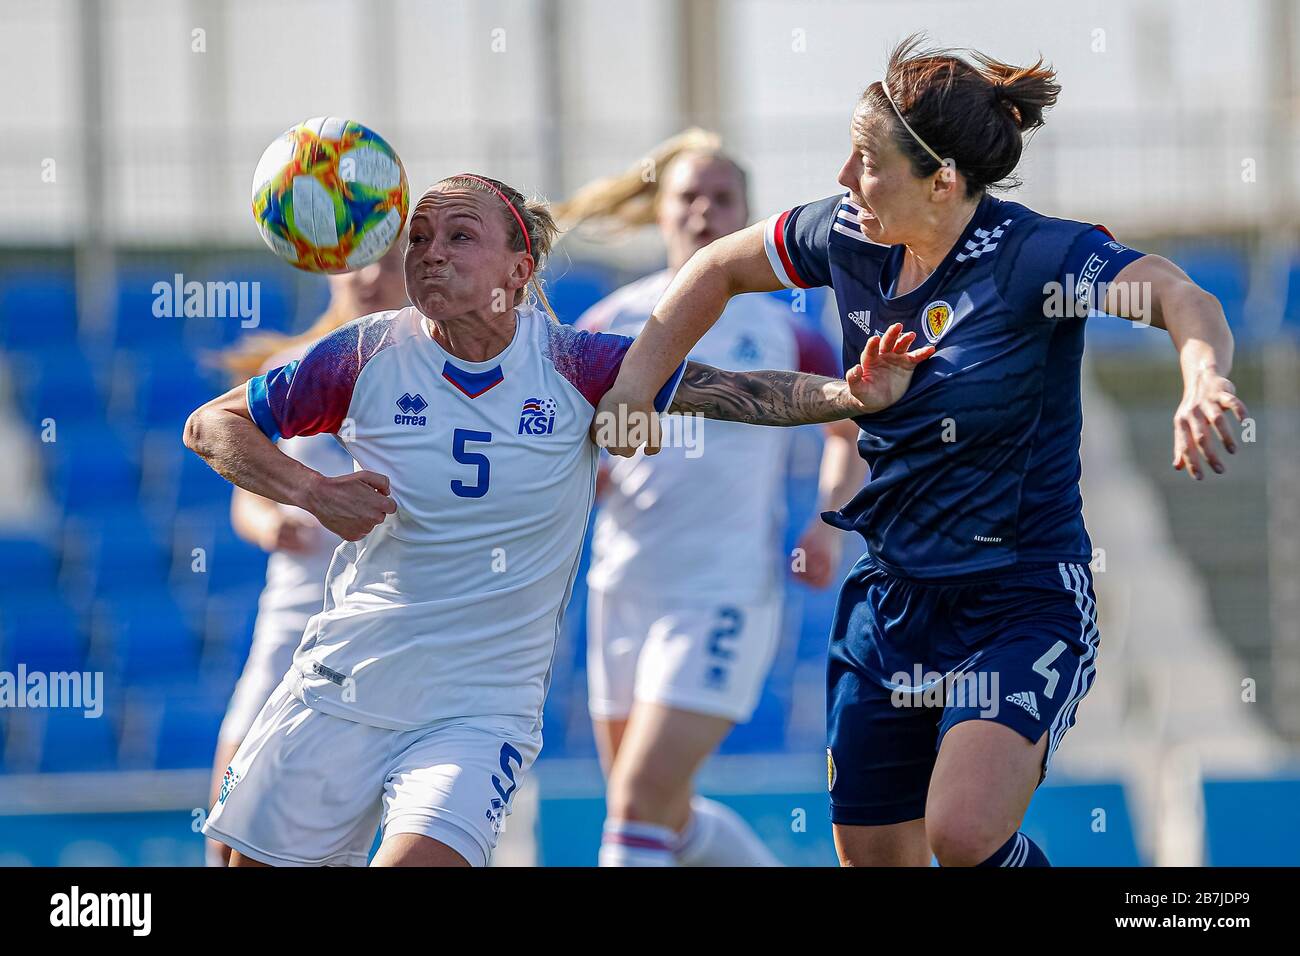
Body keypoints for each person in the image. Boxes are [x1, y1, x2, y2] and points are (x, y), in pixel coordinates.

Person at [593, 37, 1249, 867]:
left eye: (866, 160)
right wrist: (634, 385)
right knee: (873, 854)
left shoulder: (1035, 259)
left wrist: (1202, 377)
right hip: (889, 600)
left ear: (941, 181)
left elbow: (1175, 294)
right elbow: (719, 267)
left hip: (1017, 597)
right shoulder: (848, 236)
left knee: (964, 834)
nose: (841, 178)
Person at [182, 172, 932, 867]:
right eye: (418, 237)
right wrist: (312, 489)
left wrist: (851, 395)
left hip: (477, 714)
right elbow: (210, 425)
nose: (429, 254)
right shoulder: (362, 354)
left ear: (519, 270)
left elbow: (738, 392)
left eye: (459, 236)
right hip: (340, 683)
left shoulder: (580, 365)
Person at [556, 130, 866, 866]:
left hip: (723, 594)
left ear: (747, 216)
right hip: (622, 589)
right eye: (687, 196)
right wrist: (587, 470)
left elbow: (847, 431)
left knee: (634, 812)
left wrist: (828, 524)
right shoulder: (611, 324)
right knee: (666, 819)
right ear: (661, 213)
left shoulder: (787, 333)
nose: (704, 210)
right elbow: (571, 443)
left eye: (722, 197)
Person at [203, 239, 409, 866]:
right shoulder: (295, 371)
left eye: (391, 261)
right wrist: (271, 521)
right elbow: (244, 484)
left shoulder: (431, 375)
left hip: (390, 623)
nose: (371, 276)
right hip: (296, 619)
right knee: (228, 828)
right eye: (358, 260)